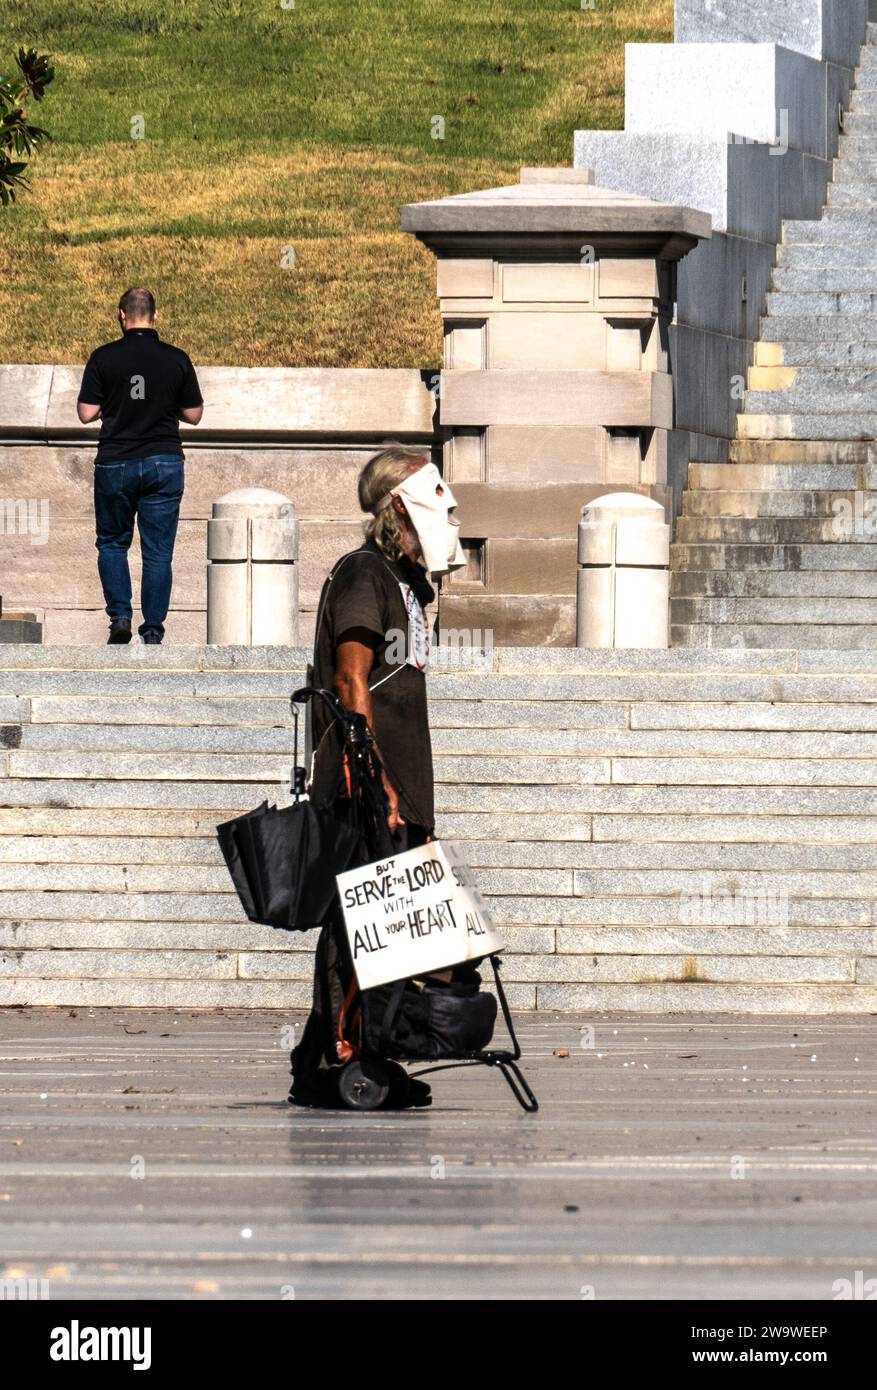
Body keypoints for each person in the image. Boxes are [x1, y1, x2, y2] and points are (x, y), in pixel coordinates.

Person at [289, 444, 465, 1109]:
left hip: (397, 782)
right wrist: (378, 781)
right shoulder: (364, 573)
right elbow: (350, 677)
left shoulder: (404, 583)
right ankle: (341, 1061)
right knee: (355, 927)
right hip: (366, 783)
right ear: (399, 507)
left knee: (386, 928)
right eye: (430, 503)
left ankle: (359, 1055)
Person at [76, 288, 204, 645]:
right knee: (158, 551)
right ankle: (152, 631)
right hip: (164, 461)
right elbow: (194, 414)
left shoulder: (103, 357)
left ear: (121, 315)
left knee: (113, 544)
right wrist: (167, 405)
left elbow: (87, 413)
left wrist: (112, 405)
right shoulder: (176, 358)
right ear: (155, 315)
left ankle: (120, 616)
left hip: (116, 461)